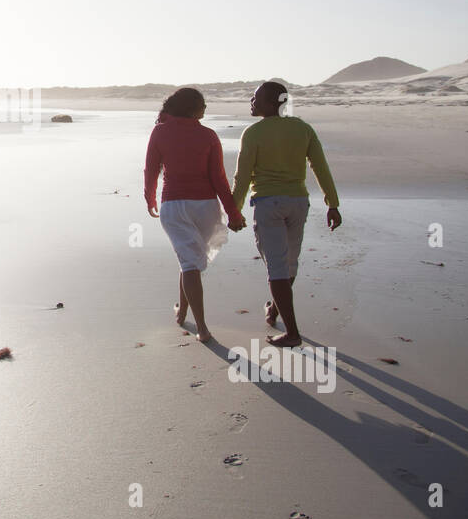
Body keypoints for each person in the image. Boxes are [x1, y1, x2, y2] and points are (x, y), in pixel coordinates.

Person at [231, 81, 342, 347]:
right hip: (297, 203)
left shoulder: (253, 133)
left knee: (278, 269)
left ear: (272, 103)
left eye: (256, 98)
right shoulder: (303, 129)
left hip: (269, 204)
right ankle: (274, 309)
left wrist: (234, 211)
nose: (251, 101)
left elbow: (242, 176)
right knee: (289, 264)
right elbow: (320, 167)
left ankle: (292, 333)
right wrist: (333, 204)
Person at [145, 87, 246, 343]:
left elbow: (151, 169)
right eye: (203, 104)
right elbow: (219, 179)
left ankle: (196, 323)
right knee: (190, 261)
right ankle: (191, 318)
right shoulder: (208, 135)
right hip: (205, 207)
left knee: (189, 261)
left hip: (174, 206)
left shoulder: (160, 131)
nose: (206, 109)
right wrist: (233, 213)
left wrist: (150, 197)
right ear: (192, 108)